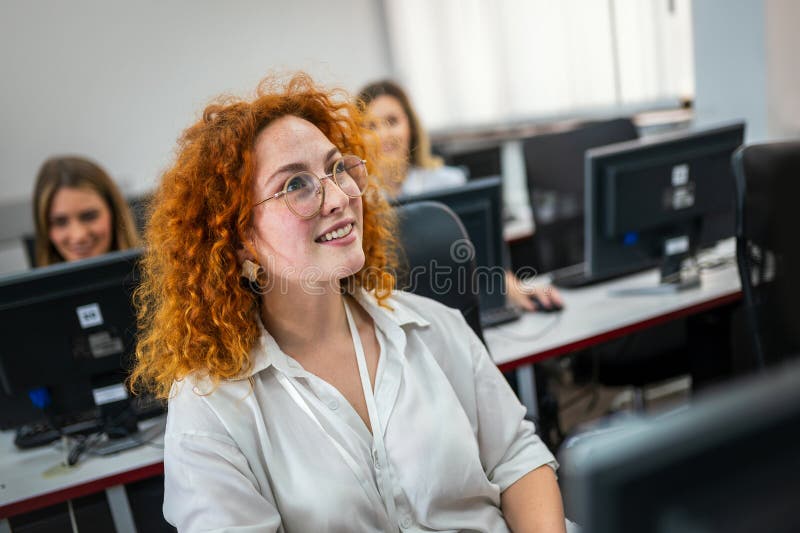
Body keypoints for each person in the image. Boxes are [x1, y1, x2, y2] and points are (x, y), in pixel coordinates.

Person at [130, 73, 567, 532]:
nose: (339, 197)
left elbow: (517, 459)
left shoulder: (432, 326)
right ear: (239, 240)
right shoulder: (211, 405)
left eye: (337, 169)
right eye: (296, 184)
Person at [357, 80, 563, 313]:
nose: (383, 134)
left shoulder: (449, 183)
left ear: (411, 127)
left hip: (460, 311)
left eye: (391, 122)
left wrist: (518, 289)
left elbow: (482, 261)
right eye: (370, 126)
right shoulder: (356, 200)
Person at [32, 156, 140, 266]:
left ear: (114, 213)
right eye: (60, 222)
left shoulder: (155, 277)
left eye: (89, 216)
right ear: (44, 228)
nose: (78, 236)